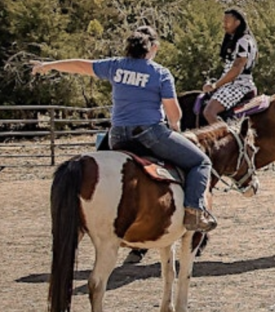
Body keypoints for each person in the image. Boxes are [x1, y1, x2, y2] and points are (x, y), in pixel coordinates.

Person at [31, 26, 218, 231]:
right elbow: (174, 114)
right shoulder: (160, 73)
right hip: (150, 134)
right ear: (153, 47)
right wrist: (175, 127)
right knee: (201, 162)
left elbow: (81, 65)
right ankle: (194, 212)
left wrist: (49, 65)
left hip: (117, 136)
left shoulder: (115, 66)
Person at [202, 8, 258, 125]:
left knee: (209, 112)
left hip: (238, 85)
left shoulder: (243, 41)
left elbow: (237, 69)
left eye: (227, 22)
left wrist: (215, 85)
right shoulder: (238, 40)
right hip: (231, 84)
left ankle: (227, 135)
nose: (224, 25)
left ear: (238, 22)